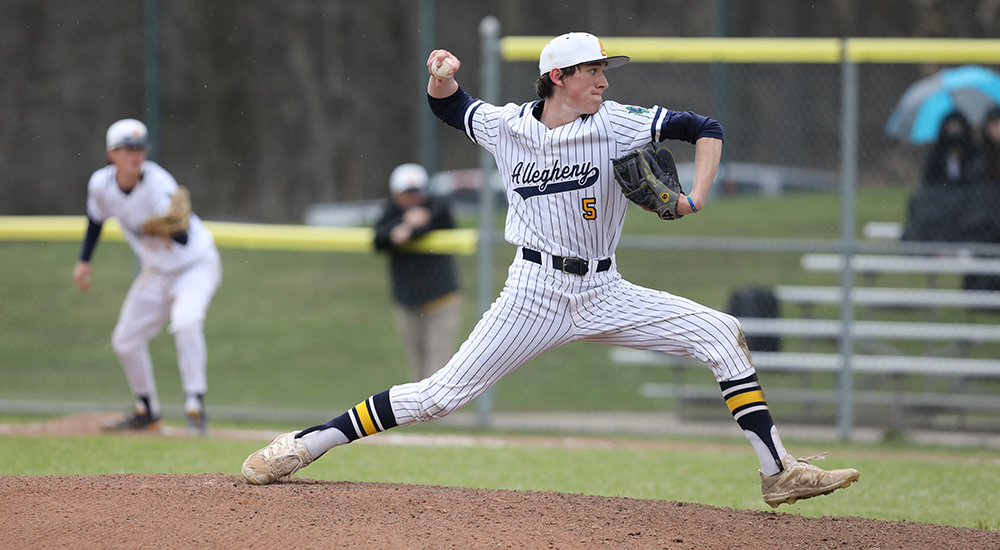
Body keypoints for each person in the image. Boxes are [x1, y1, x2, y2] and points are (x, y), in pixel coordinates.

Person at [242, 32, 859, 507]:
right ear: (557, 77)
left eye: (603, 70)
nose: (602, 80)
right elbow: (449, 107)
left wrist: (696, 195)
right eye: (593, 70)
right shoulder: (509, 127)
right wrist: (438, 77)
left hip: (604, 287)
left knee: (722, 333)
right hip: (534, 292)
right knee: (438, 397)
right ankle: (302, 446)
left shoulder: (616, 124)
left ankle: (778, 473)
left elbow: (705, 127)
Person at [73, 118, 222, 435]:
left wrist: (172, 226)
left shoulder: (157, 183)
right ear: (112, 153)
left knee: (186, 322)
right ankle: (148, 411)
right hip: (157, 271)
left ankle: (194, 403)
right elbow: (95, 219)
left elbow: (182, 239)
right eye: (128, 148)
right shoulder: (100, 184)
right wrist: (84, 261)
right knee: (125, 340)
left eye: (140, 148)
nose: (136, 154)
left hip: (195, 265)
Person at [373, 163, 462, 382]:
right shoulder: (390, 213)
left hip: (441, 300)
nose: (413, 198)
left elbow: (444, 218)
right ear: (396, 194)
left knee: (438, 364)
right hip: (407, 300)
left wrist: (413, 227)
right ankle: (418, 415)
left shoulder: (435, 208)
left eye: (417, 192)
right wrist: (402, 226)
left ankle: (436, 414)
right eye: (407, 193)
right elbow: (379, 239)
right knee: (416, 364)